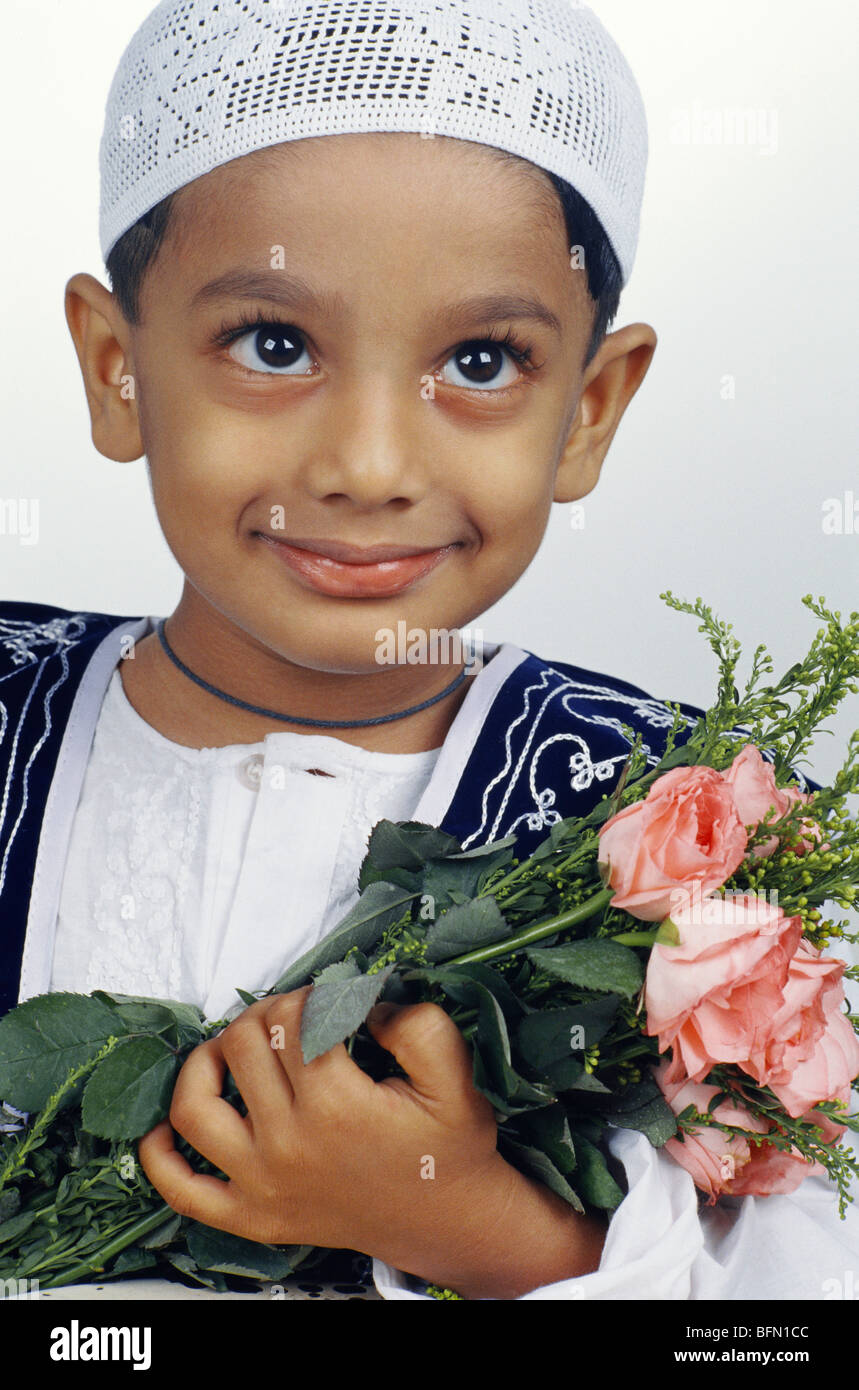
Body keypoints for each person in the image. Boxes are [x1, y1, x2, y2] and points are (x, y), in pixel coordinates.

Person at [1, 0, 855, 1300]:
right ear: (117, 367)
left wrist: (473, 1226)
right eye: (274, 345)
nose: (370, 466)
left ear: (590, 409)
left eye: (479, 359)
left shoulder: (681, 829)